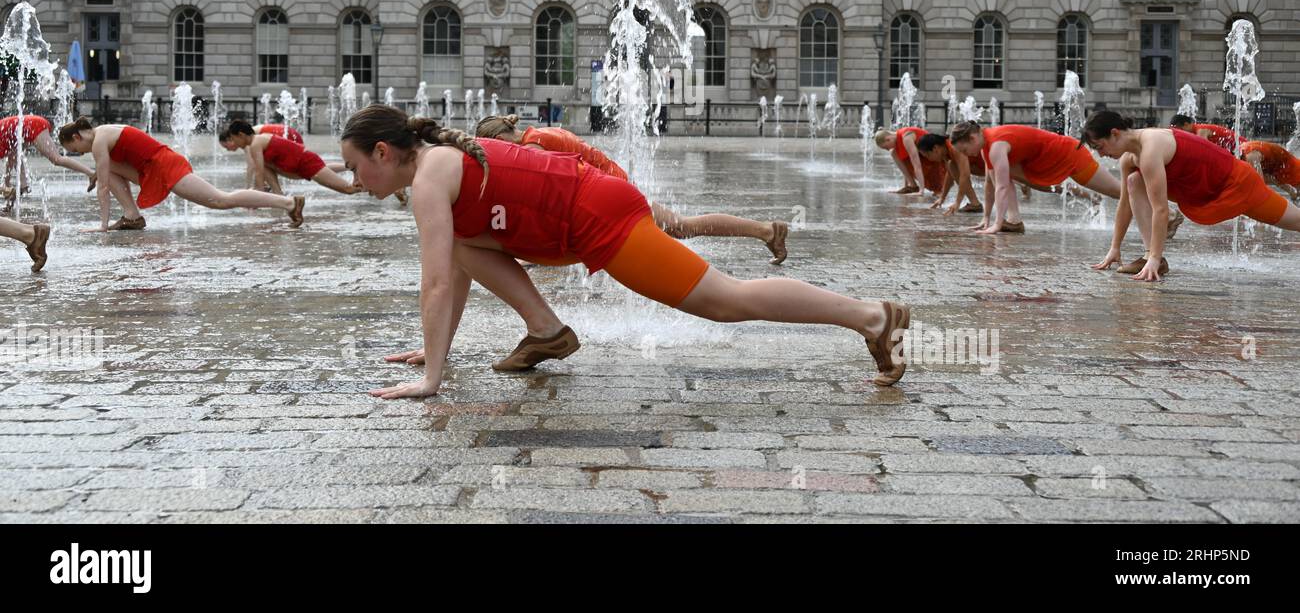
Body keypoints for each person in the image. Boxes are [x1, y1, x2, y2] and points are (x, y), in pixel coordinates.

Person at [339, 106, 911, 399]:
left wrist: (432, 380)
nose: (355, 180)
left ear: (384, 152)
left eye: (355, 166)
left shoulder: (430, 177)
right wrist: (433, 350)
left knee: (725, 301)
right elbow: (458, 272)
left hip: (599, 217)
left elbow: (435, 282)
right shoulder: (437, 170)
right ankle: (545, 328)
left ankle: (872, 316)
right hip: (583, 219)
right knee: (465, 243)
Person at [475, 115, 789, 265]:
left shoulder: (534, 144)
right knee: (681, 227)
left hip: (613, 196)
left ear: (501, 138)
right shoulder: (537, 134)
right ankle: (764, 231)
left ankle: (763, 232)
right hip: (612, 189)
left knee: (681, 227)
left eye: (494, 149)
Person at [1085, 111, 1300, 282]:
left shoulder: (1151, 147)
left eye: (1099, 147)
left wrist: (1155, 258)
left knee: (1296, 221)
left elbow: (1160, 209)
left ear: (1114, 133)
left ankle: (1154, 258)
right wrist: (1115, 248)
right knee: (1134, 181)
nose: (1100, 154)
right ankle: (1151, 256)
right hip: (1205, 191)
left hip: (1237, 184)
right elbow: (1124, 205)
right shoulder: (1130, 158)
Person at [58, 118, 305, 230]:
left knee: (221, 200)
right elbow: (107, 171)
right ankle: (131, 216)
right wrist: (97, 175)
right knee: (105, 168)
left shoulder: (99, 140)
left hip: (166, 166)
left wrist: (102, 226)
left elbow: (103, 186)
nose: (78, 153)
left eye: (75, 149)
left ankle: (288, 203)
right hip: (154, 167)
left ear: (77, 137)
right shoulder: (102, 135)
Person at [950, 122, 1134, 235]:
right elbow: (992, 183)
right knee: (1002, 176)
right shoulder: (986, 147)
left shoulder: (996, 145)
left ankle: (1159, 218)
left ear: (973, 138)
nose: (966, 155)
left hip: (1069, 154)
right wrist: (986, 219)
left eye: (965, 150)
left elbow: (1002, 187)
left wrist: (997, 224)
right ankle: (1013, 221)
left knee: (1118, 191)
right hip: (1046, 161)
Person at [219, 121, 358, 196]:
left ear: (241, 135)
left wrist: (257, 195)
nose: (234, 143)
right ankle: (278, 195)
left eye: (233, 138)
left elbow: (258, 172)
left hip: (308, 163)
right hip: (303, 167)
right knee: (348, 189)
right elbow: (263, 170)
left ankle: (369, 182)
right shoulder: (257, 144)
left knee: (348, 189)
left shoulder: (255, 143)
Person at [1, 114, 96, 210]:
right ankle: (23, 185)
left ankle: (91, 173)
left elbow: (12, 159)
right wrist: (8, 185)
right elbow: (13, 157)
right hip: (30, 123)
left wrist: (6, 187)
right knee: (15, 154)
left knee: (56, 159)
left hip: (33, 125)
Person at [917, 133, 984, 214]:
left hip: (991, 165)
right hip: (984, 166)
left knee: (952, 165)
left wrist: (957, 202)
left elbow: (965, 174)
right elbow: (950, 175)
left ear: (935, 148)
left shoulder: (954, 147)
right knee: (951, 165)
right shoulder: (946, 153)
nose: (929, 159)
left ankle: (975, 204)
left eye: (927, 155)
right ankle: (974, 203)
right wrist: (942, 198)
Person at [874, 126, 943, 196]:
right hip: (926, 156)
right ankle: (912, 186)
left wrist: (921, 191)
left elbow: (916, 164)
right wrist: (906, 185)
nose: (888, 149)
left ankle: (932, 188)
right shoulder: (898, 139)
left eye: (886, 147)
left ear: (888, 139)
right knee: (893, 153)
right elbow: (906, 164)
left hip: (938, 158)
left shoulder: (906, 138)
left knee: (937, 191)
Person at [1169, 115, 1241, 153]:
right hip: (1240, 149)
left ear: (1186, 124)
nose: (1179, 134)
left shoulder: (1201, 130)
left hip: (1245, 149)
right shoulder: (1198, 129)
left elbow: (1202, 150)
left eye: (1179, 130)